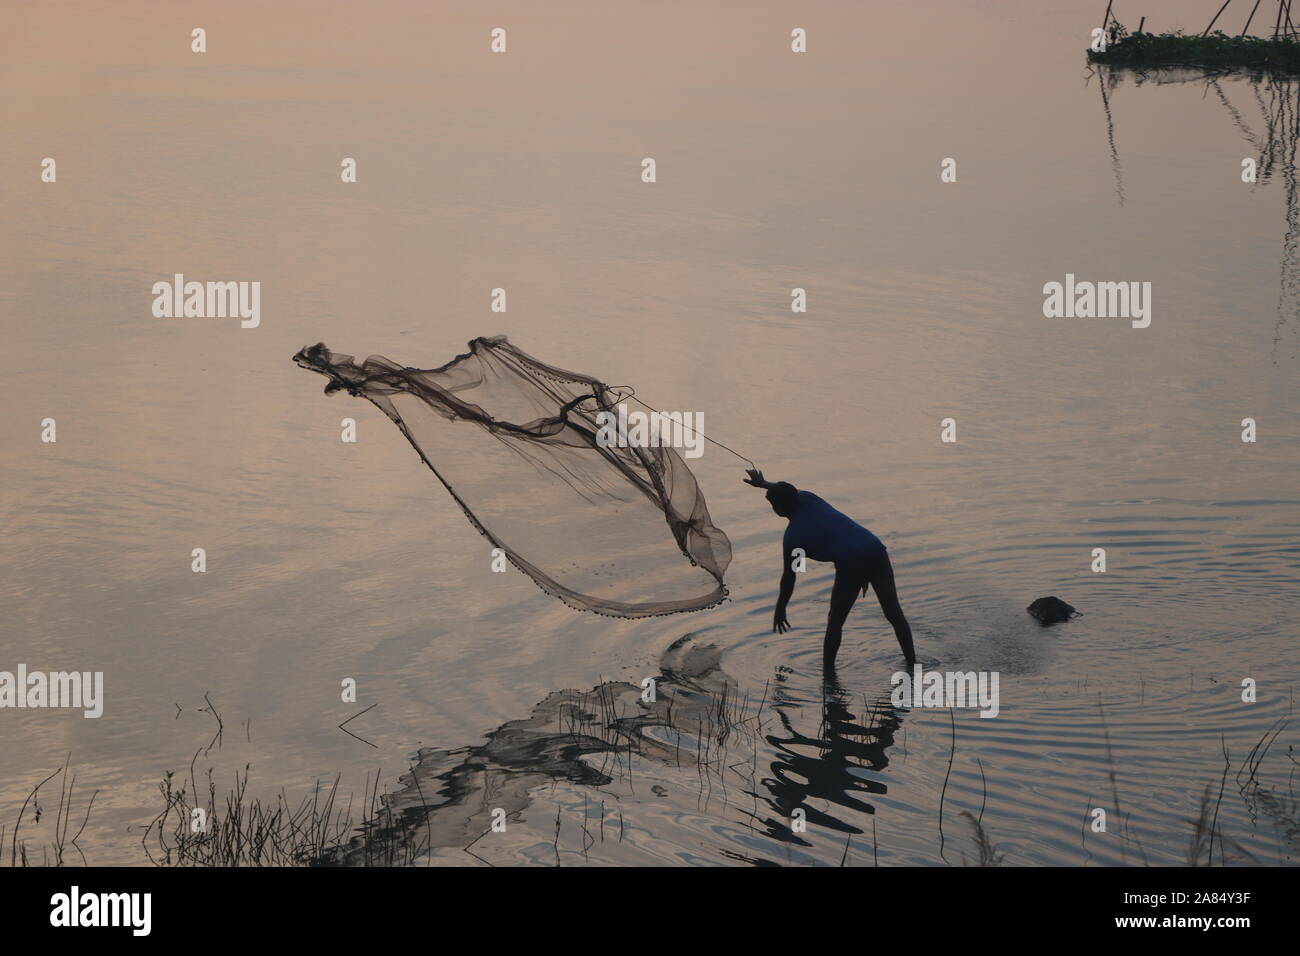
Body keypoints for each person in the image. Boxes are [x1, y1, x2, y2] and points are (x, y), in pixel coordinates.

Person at [744, 469, 916, 670]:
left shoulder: (794, 538)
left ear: (779, 509)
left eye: (772, 504)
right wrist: (764, 484)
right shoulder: (808, 498)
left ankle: (828, 676)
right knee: (893, 613)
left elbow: (790, 577)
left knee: (835, 622)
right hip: (875, 550)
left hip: (852, 564)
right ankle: (912, 663)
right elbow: (786, 490)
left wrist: (781, 608)